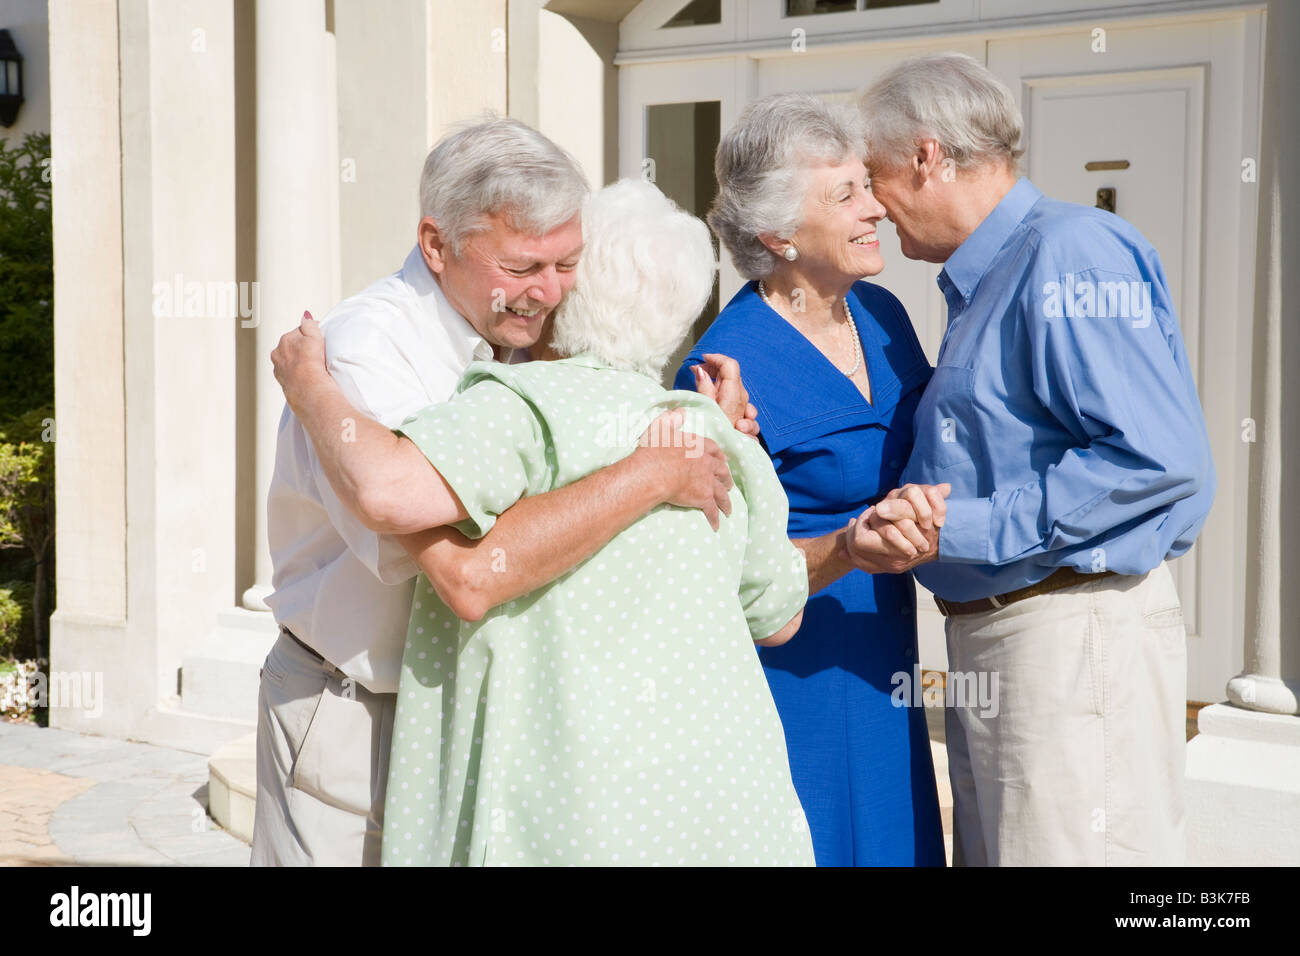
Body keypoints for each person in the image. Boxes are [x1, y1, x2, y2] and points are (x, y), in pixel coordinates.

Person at [273, 178, 817, 866]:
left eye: (560, 269)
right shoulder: (718, 436)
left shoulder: (513, 407)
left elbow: (399, 502)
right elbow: (780, 618)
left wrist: (309, 385)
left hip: (564, 817)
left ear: (574, 294)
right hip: (715, 816)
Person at [849, 52, 1216, 865]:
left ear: (925, 155)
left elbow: (1159, 461)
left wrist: (959, 525)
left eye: (872, 176)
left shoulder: (1070, 254)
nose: (871, 205)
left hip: (1068, 631)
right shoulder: (990, 276)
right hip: (1017, 640)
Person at [676, 93, 948, 866]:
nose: (878, 210)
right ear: (779, 235)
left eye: (867, 185)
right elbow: (713, 576)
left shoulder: (888, 316)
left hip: (883, 653)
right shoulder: (722, 368)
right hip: (786, 671)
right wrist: (847, 549)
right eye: (848, 195)